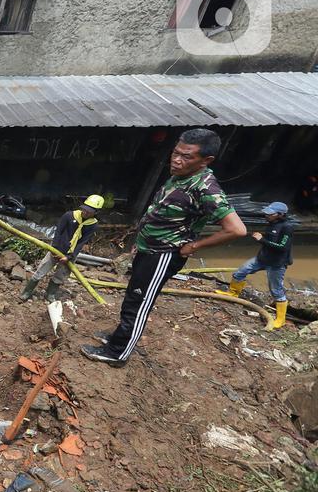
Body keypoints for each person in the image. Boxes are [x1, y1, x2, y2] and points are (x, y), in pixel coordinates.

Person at [82, 129, 247, 366]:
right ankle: (119, 337)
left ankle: (117, 353)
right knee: (133, 296)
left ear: (206, 160)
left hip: (164, 254)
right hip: (149, 249)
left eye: (187, 156)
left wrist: (195, 246)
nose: (177, 160)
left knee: (139, 302)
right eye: (175, 153)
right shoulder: (181, 176)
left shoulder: (206, 189)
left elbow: (236, 229)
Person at [218, 201, 295, 328]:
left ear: (281, 215)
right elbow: (271, 239)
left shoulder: (287, 227)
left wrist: (261, 239)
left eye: (271, 214)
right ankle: (233, 293)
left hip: (276, 264)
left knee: (276, 290)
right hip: (261, 259)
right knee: (240, 272)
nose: (267, 215)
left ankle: (280, 319)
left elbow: (282, 247)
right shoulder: (271, 223)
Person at [20, 195, 105, 302]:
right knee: (41, 270)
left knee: (60, 275)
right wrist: (54, 249)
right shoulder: (69, 216)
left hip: (70, 254)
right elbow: (58, 232)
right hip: (56, 249)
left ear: (96, 212)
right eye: (84, 209)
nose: (85, 212)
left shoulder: (92, 225)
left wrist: (69, 257)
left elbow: (81, 242)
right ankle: (27, 292)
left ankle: (50, 294)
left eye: (89, 211)